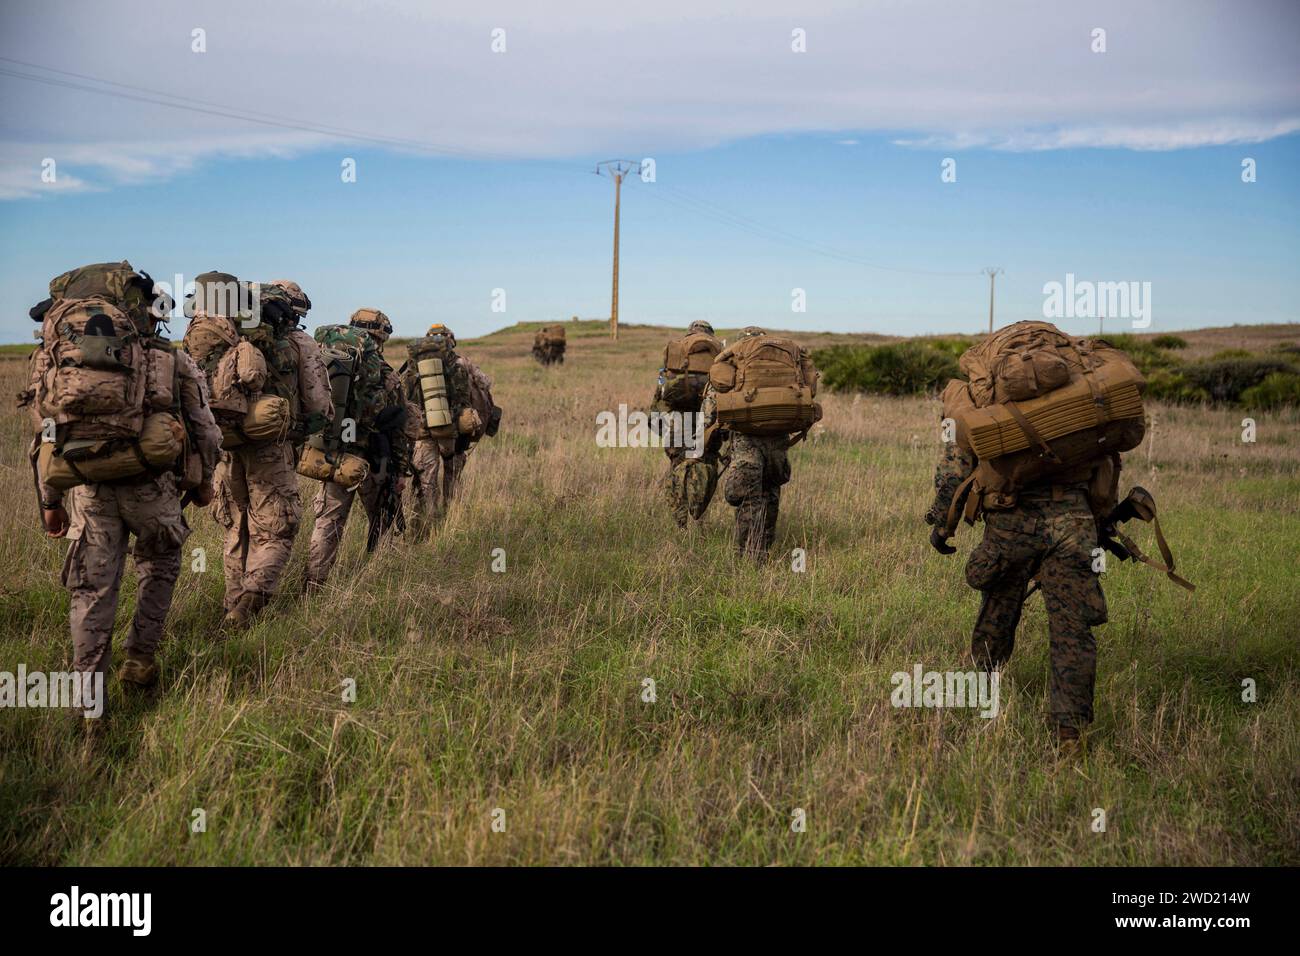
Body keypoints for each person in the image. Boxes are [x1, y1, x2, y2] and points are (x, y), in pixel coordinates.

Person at [24, 262, 222, 698]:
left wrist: (51, 500)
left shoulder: (57, 361)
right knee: (160, 567)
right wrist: (205, 481)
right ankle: (140, 658)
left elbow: (47, 434)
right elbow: (206, 430)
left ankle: (87, 699)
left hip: (88, 489)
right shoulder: (172, 359)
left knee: (93, 590)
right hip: (153, 488)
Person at [305, 309, 417, 588]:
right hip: (373, 457)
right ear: (381, 337)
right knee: (384, 518)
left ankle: (314, 583)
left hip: (334, 452)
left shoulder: (330, 362)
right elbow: (398, 428)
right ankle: (381, 580)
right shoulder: (387, 375)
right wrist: (401, 470)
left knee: (328, 521)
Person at [698, 327, 820, 561]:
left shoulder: (735, 359)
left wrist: (709, 435)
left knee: (747, 496)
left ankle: (749, 555)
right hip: (778, 439)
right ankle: (764, 547)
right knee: (771, 490)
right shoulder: (786, 361)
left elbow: (712, 406)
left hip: (746, 438)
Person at [651, 320, 722, 528]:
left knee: (678, 469)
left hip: (677, 424)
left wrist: (657, 424)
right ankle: (698, 518)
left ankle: (680, 524)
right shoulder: (718, 358)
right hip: (708, 426)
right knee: (706, 469)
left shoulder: (674, 359)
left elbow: (660, 392)